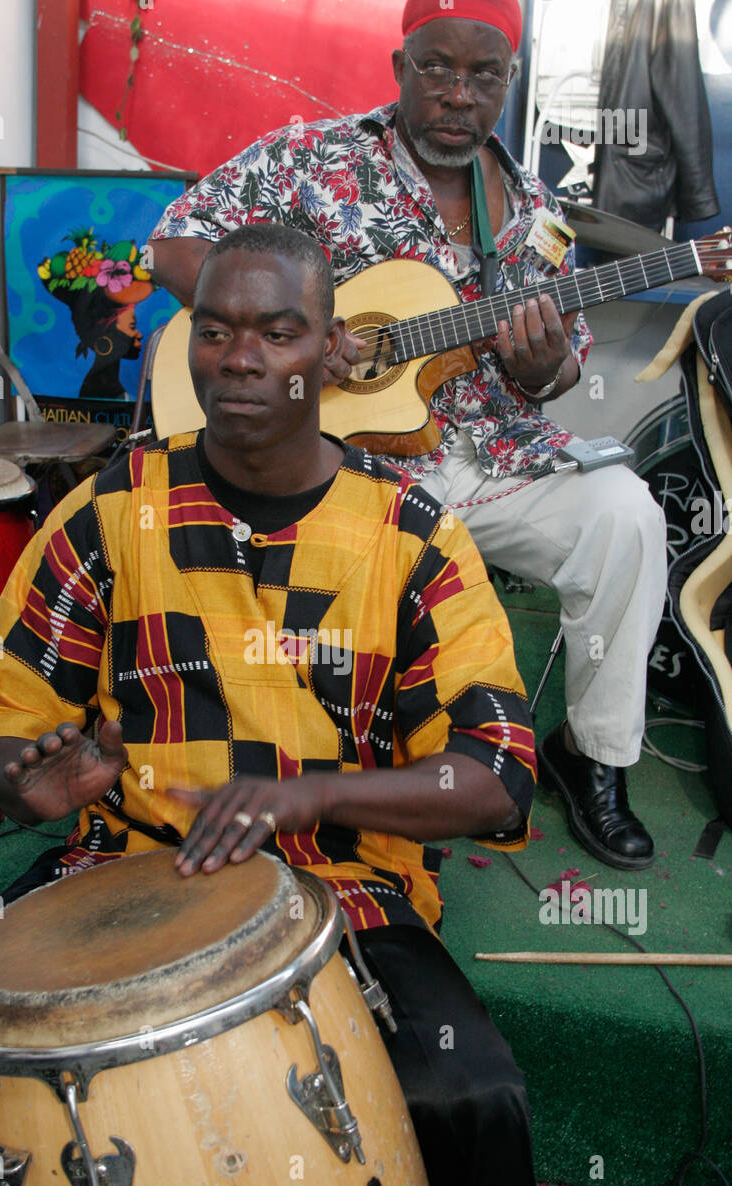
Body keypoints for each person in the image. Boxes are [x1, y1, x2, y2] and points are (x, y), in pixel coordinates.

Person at [0, 224, 557, 1186]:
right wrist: (18, 779)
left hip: (343, 893)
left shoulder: (412, 537)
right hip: (121, 875)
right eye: (219, 330)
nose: (243, 358)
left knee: (475, 1097)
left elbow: (495, 768)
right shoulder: (109, 513)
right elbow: (0, 722)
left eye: (280, 333)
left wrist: (309, 794)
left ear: (331, 352)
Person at [146, 0, 668, 873]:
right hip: (344, 465)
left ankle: (593, 753)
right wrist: (300, 325)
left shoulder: (535, 207)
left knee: (627, 516)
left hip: (496, 460)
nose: (457, 95)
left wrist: (540, 366)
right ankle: (324, 770)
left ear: (509, 84)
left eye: (482, 76)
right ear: (399, 68)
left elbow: (561, 369)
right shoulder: (311, 159)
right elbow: (174, 246)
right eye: (437, 68)